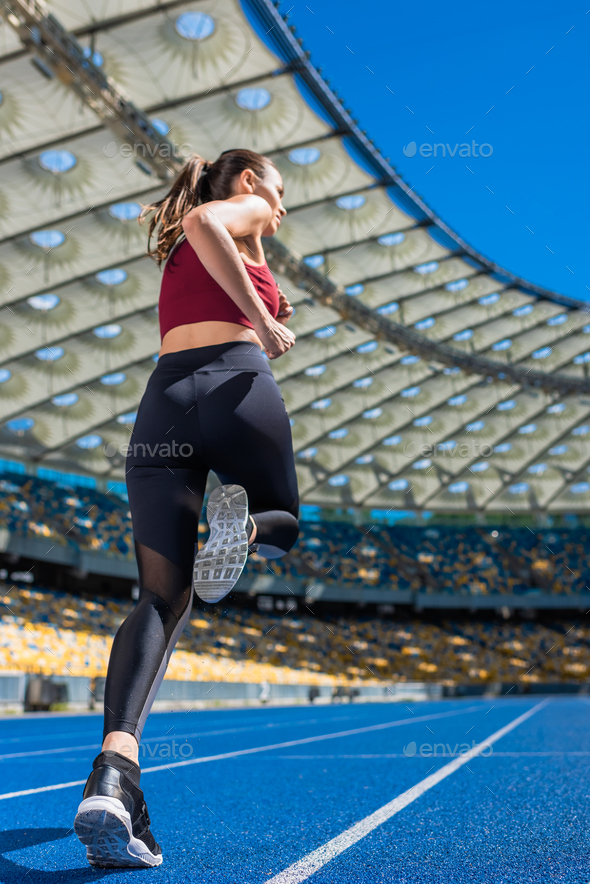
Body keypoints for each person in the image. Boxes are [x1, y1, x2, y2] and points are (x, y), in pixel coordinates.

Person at [74, 149, 299, 869]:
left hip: (165, 402)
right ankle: (244, 525)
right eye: (277, 191)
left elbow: (204, 230)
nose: (279, 207)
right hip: (236, 384)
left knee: (160, 598)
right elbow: (210, 218)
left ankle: (115, 774)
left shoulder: (192, 246)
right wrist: (262, 316)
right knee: (284, 524)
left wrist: (265, 279)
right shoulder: (238, 210)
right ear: (248, 182)